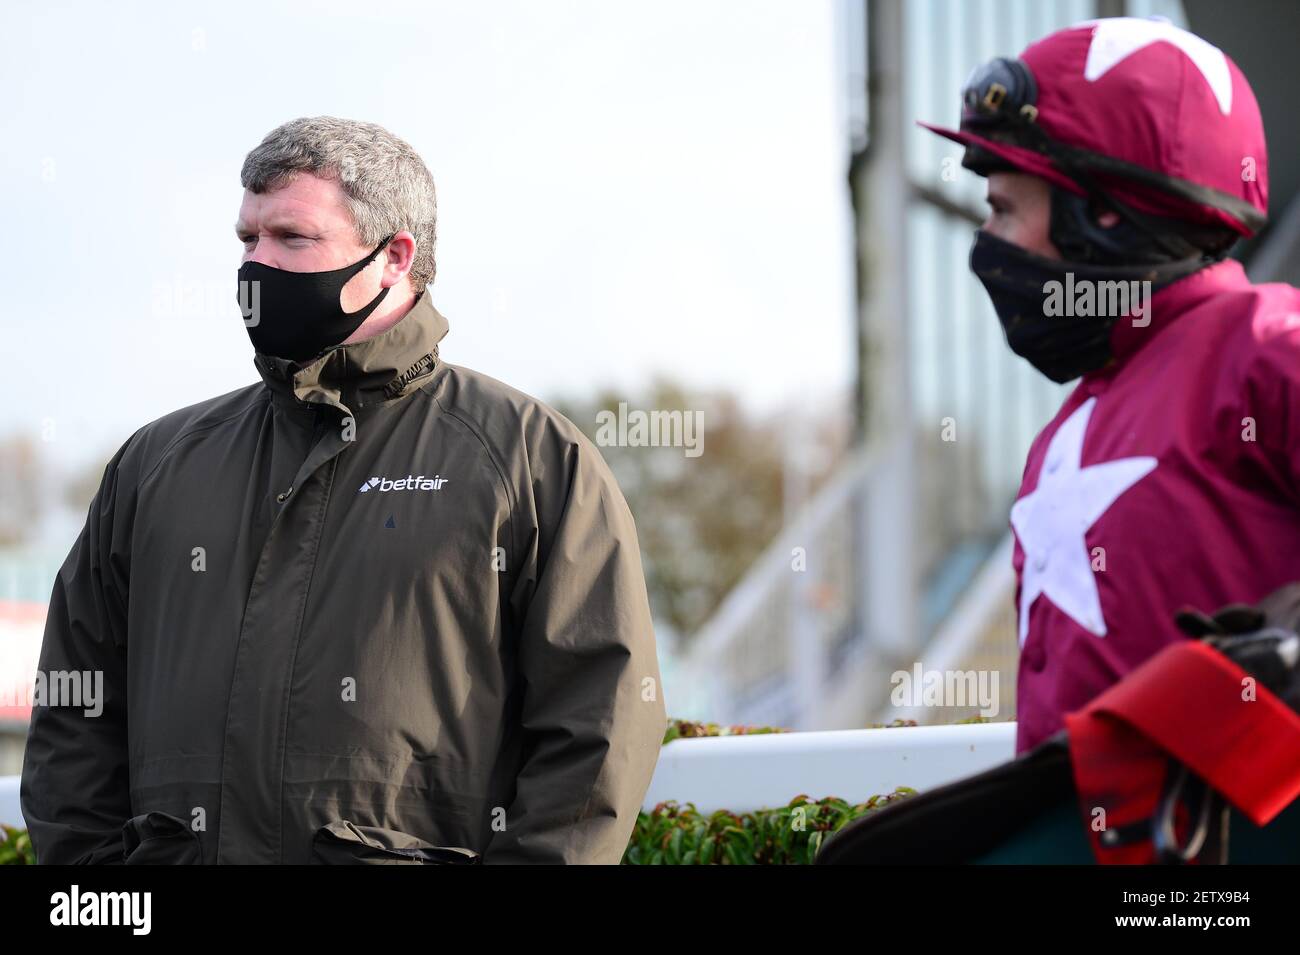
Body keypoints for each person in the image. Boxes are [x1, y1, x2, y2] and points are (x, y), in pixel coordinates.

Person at [20, 116, 668, 864]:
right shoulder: (156, 466)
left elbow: (601, 724)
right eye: (246, 240)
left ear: (395, 256)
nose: (256, 266)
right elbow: (74, 713)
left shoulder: (530, 460)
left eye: (291, 239)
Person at [920, 17, 1300, 753]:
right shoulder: (1064, 433)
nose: (985, 244)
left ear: (1103, 215)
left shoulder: (1269, 349)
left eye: (1003, 208)